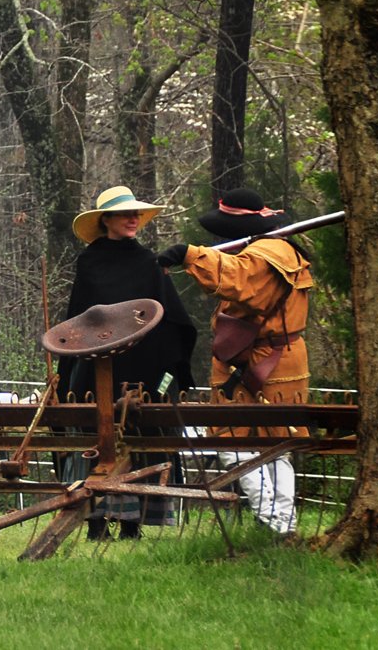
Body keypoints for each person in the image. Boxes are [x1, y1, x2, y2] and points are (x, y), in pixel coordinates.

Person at [156, 187, 312, 539]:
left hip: (266, 362)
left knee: (238, 443)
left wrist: (188, 254)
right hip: (267, 359)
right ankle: (280, 525)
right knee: (272, 446)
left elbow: (236, 278)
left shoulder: (267, 253)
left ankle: (275, 525)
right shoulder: (271, 249)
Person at [57, 186, 197, 540]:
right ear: (106, 220)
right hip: (97, 366)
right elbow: (80, 317)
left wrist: (171, 363)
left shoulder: (149, 261)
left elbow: (169, 315)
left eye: (136, 214)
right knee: (96, 437)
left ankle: (134, 522)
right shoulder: (89, 263)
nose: (133, 219)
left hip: (144, 366)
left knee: (141, 435)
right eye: (125, 214)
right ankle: (96, 519)